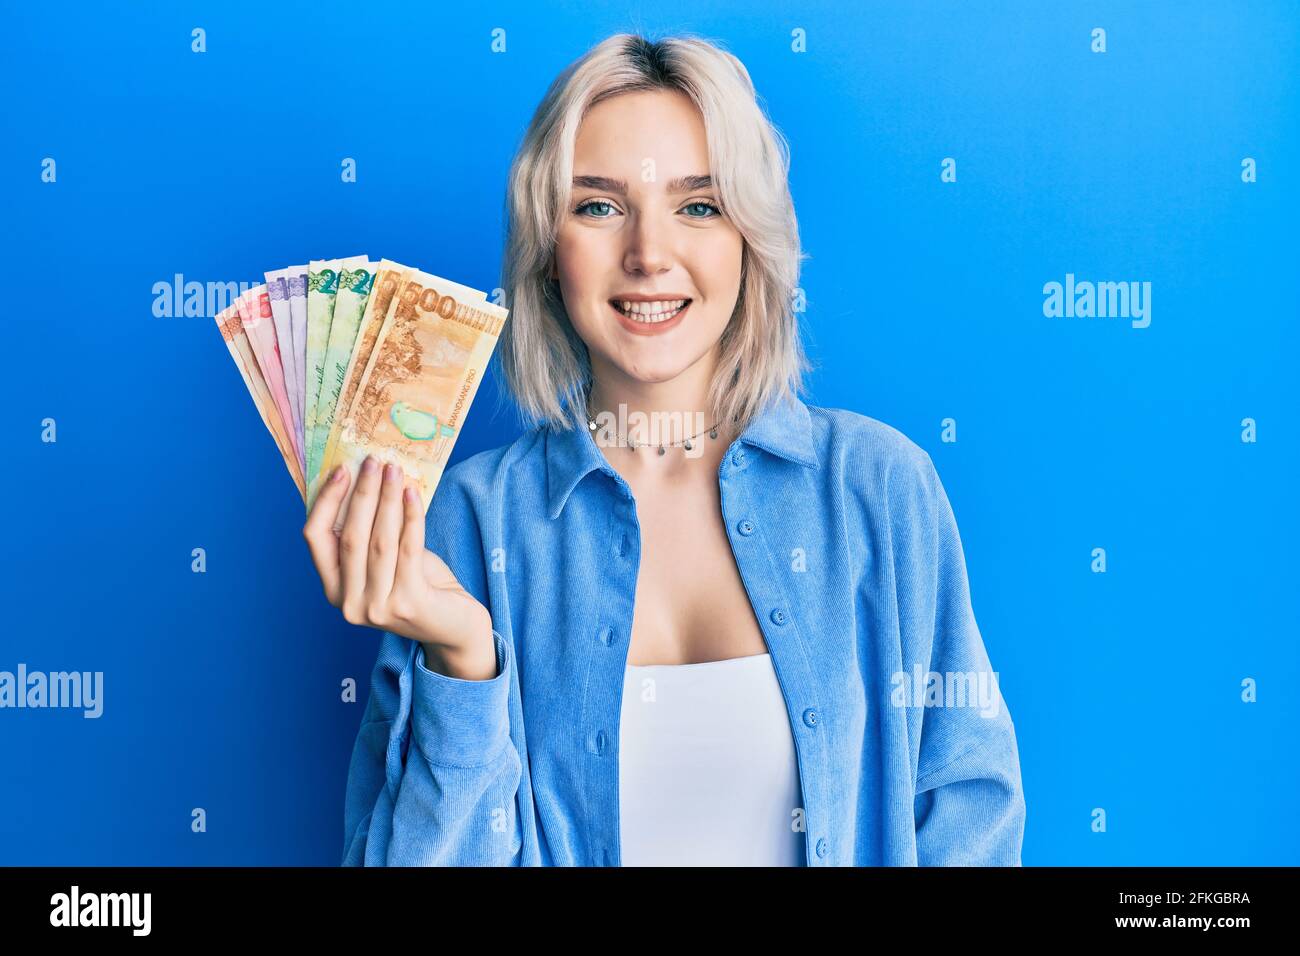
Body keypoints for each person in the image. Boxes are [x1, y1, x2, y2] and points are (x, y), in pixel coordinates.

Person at [303, 32, 1026, 866]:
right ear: (547, 252)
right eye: (598, 206)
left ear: (750, 240)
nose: (649, 255)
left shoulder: (880, 489)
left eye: (699, 205)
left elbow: (971, 816)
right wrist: (461, 661)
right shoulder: (468, 518)